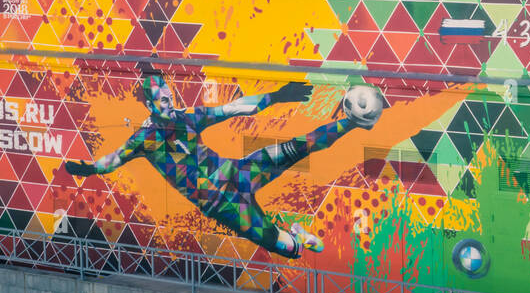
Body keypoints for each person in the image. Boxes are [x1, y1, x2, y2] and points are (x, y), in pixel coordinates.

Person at [66, 78, 389, 259]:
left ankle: (351, 122)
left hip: (237, 174)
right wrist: (90, 170)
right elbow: (114, 159)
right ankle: (297, 236)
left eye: (169, 94)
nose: (170, 101)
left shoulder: (187, 118)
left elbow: (233, 108)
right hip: (224, 205)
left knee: (296, 147)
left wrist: (276, 96)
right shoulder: (142, 140)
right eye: (162, 100)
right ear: (149, 106)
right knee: (289, 250)